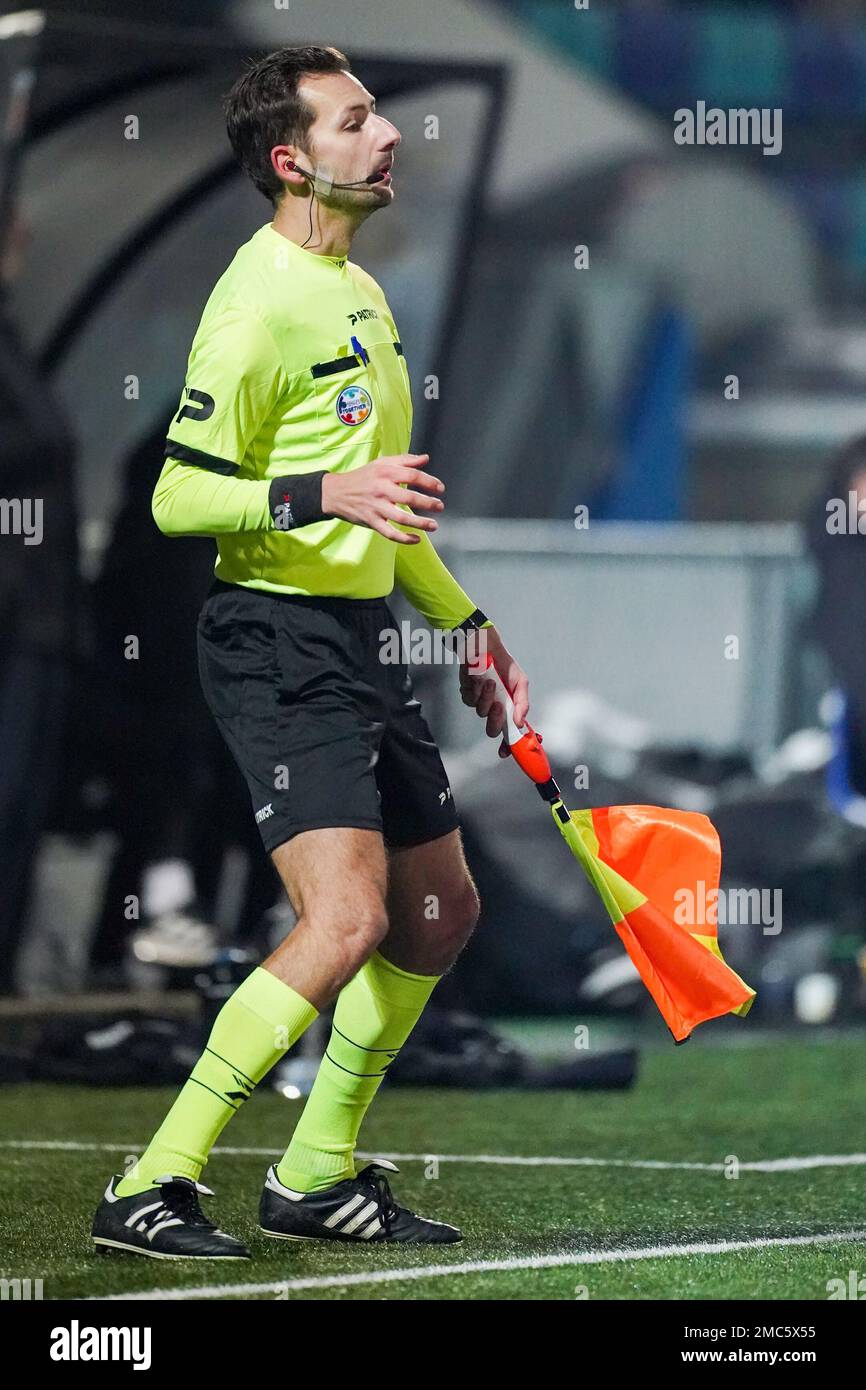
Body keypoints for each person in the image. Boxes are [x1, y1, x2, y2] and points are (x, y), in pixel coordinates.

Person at [91, 44, 529, 1258]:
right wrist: (322, 487)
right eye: (353, 121)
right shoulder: (255, 302)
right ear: (292, 160)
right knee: (343, 922)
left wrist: (467, 629)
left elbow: (386, 512)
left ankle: (315, 1173)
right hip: (269, 638)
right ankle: (151, 1179)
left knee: (436, 913)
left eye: (377, 113)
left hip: (362, 633)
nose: (385, 135)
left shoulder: (366, 297)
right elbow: (179, 500)